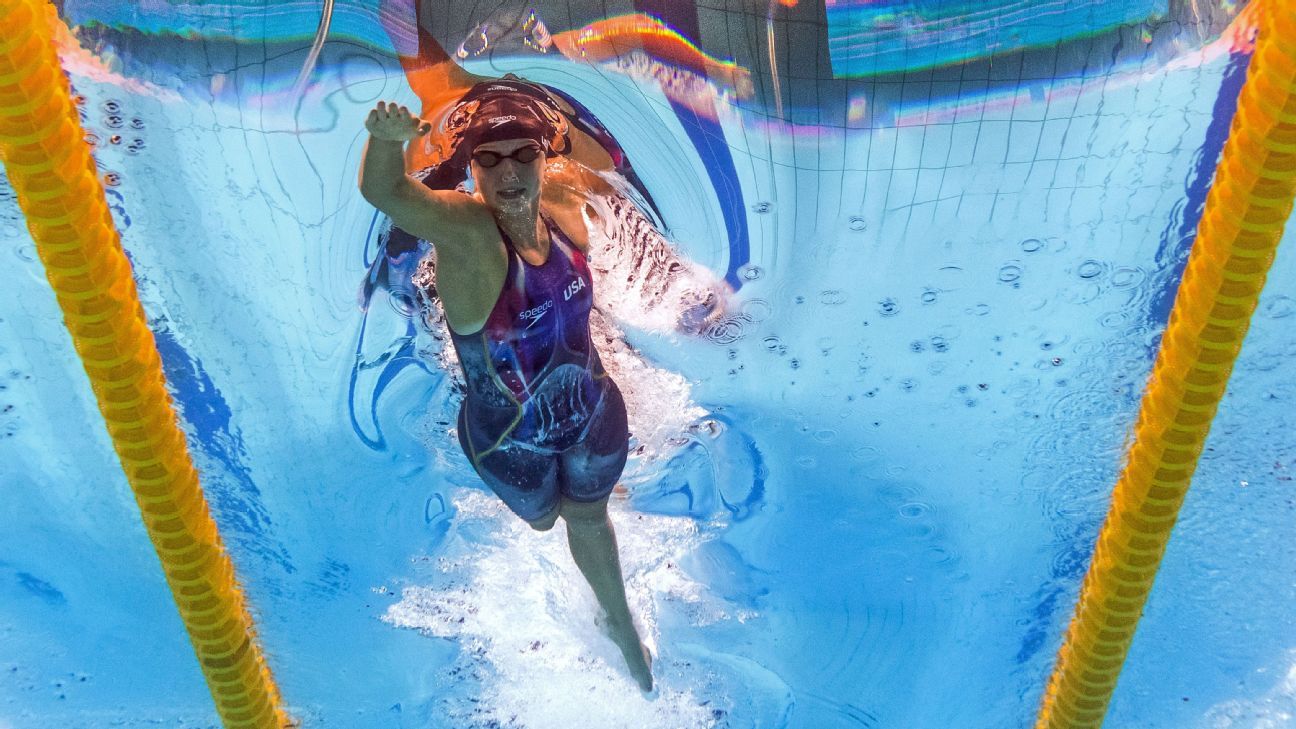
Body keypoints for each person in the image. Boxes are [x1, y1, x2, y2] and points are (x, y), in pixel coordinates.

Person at [358, 86, 654, 692]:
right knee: (545, 522)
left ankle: (619, 621)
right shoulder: (468, 231)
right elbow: (387, 193)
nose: (509, 172)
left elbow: (611, 171)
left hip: (592, 411)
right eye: (489, 160)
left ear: (545, 158)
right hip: (509, 444)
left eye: (524, 154)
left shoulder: (563, 202)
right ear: (471, 170)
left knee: (588, 516)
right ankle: (570, 514)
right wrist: (387, 144)